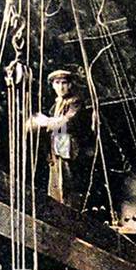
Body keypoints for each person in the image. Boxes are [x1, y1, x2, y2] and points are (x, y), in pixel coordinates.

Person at [28, 69, 92, 208]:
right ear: (53, 86)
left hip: (69, 148)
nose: (61, 87)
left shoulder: (75, 102)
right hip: (55, 148)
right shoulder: (55, 106)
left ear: (69, 85)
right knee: (56, 183)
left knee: (68, 183)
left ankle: (71, 211)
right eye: (57, 83)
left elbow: (66, 122)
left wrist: (46, 122)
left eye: (64, 83)